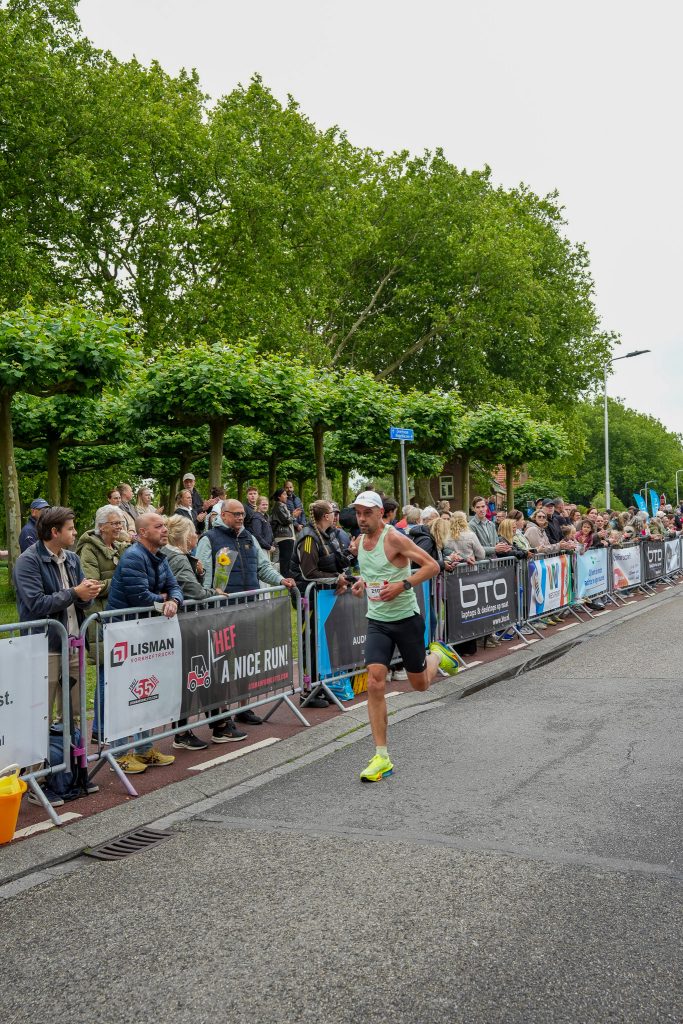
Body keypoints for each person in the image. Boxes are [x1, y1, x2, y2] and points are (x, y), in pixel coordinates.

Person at [349, 491, 441, 783]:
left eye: (366, 513)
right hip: (377, 621)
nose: (361, 519)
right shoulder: (360, 541)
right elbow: (373, 572)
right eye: (358, 513)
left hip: (406, 621)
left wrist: (403, 585)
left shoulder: (395, 538)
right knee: (375, 681)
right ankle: (381, 756)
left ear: (380, 513)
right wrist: (362, 584)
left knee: (420, 684)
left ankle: (437, 655)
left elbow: (432, 566)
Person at [195, 499, 297, 728]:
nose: (241, 517)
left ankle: (243, 706)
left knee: (244, 660)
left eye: (242, 514)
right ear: (223, 514)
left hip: (249, 610)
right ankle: (220, 715)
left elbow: (263, 567)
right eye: (236, 514)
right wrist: (210, 600)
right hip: (221, 613)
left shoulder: (249, 537)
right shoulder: (209, 539)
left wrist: (281, 579)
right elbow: (203, 576)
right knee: (220, 664)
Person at [106, 513, 182, 773]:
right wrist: (165, 598)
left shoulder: (161, 557)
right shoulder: (133, 557)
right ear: (142, 532)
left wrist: (174, 600)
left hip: (145, 635)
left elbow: (176, 587)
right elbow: (140, 597)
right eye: (158, 526)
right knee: (122, 693)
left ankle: (143, 749)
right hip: (123, 636)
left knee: (144, 692)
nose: (164, 530)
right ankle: (119, 754)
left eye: (164, 526)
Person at [14, 506, 101, 727]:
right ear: (55, 532)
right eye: (70, 529)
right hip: (45, 647)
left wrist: (87, 594)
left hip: (73, 644)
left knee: (74, 713)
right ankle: (38, 762)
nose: (75, 532)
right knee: (41, 711)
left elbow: (83, 602)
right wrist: (74, 593)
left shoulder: (72, 558)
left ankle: (72, 759)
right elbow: (36, 604)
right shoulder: (28, 561)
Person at [162, 514, 224, 751]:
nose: (197, 537)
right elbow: (194, 592)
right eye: (194, 533)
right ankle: (182, 732)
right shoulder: (177, 559)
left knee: (191, 676)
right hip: (185, 625)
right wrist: (214, 592)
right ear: (186, 536)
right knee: (189, 677)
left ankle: (189, 728)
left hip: (182, 624)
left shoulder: (180, 557)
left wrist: (196, 569)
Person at [290, 500, 354, 707]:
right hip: (310, 597)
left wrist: (350, 557)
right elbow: (309, 573)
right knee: (310, 641)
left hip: (324, 596)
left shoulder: (328, 535)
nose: (336, 516)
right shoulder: (308, 537)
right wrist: (336, 579)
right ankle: (308, 691)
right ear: (325, 516)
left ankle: (320, 685)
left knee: (323, 641)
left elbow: (333, 563)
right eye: (332, 512)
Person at [75, 504, 130, 742]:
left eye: (121, 523)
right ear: (101, 526)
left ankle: (112, 725)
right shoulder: (88, 550)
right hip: (101, 620)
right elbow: (92, 586)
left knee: (117, 676)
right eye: (115, 523)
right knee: (104, 675)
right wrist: (121, 581)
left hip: (119, 618)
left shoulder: (120, 547)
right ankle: (99, 729)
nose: (120, 527)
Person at [271, 486, 296, 576]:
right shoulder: (279, 506)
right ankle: (285, 578)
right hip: (284, 536)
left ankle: (285, 577)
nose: (286, 496)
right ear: (279, 497)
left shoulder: (281, 506)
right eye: (284, 494)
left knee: (286, 559)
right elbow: (286, 520)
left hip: (286, 536)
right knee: (285, 559)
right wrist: (294, 515)